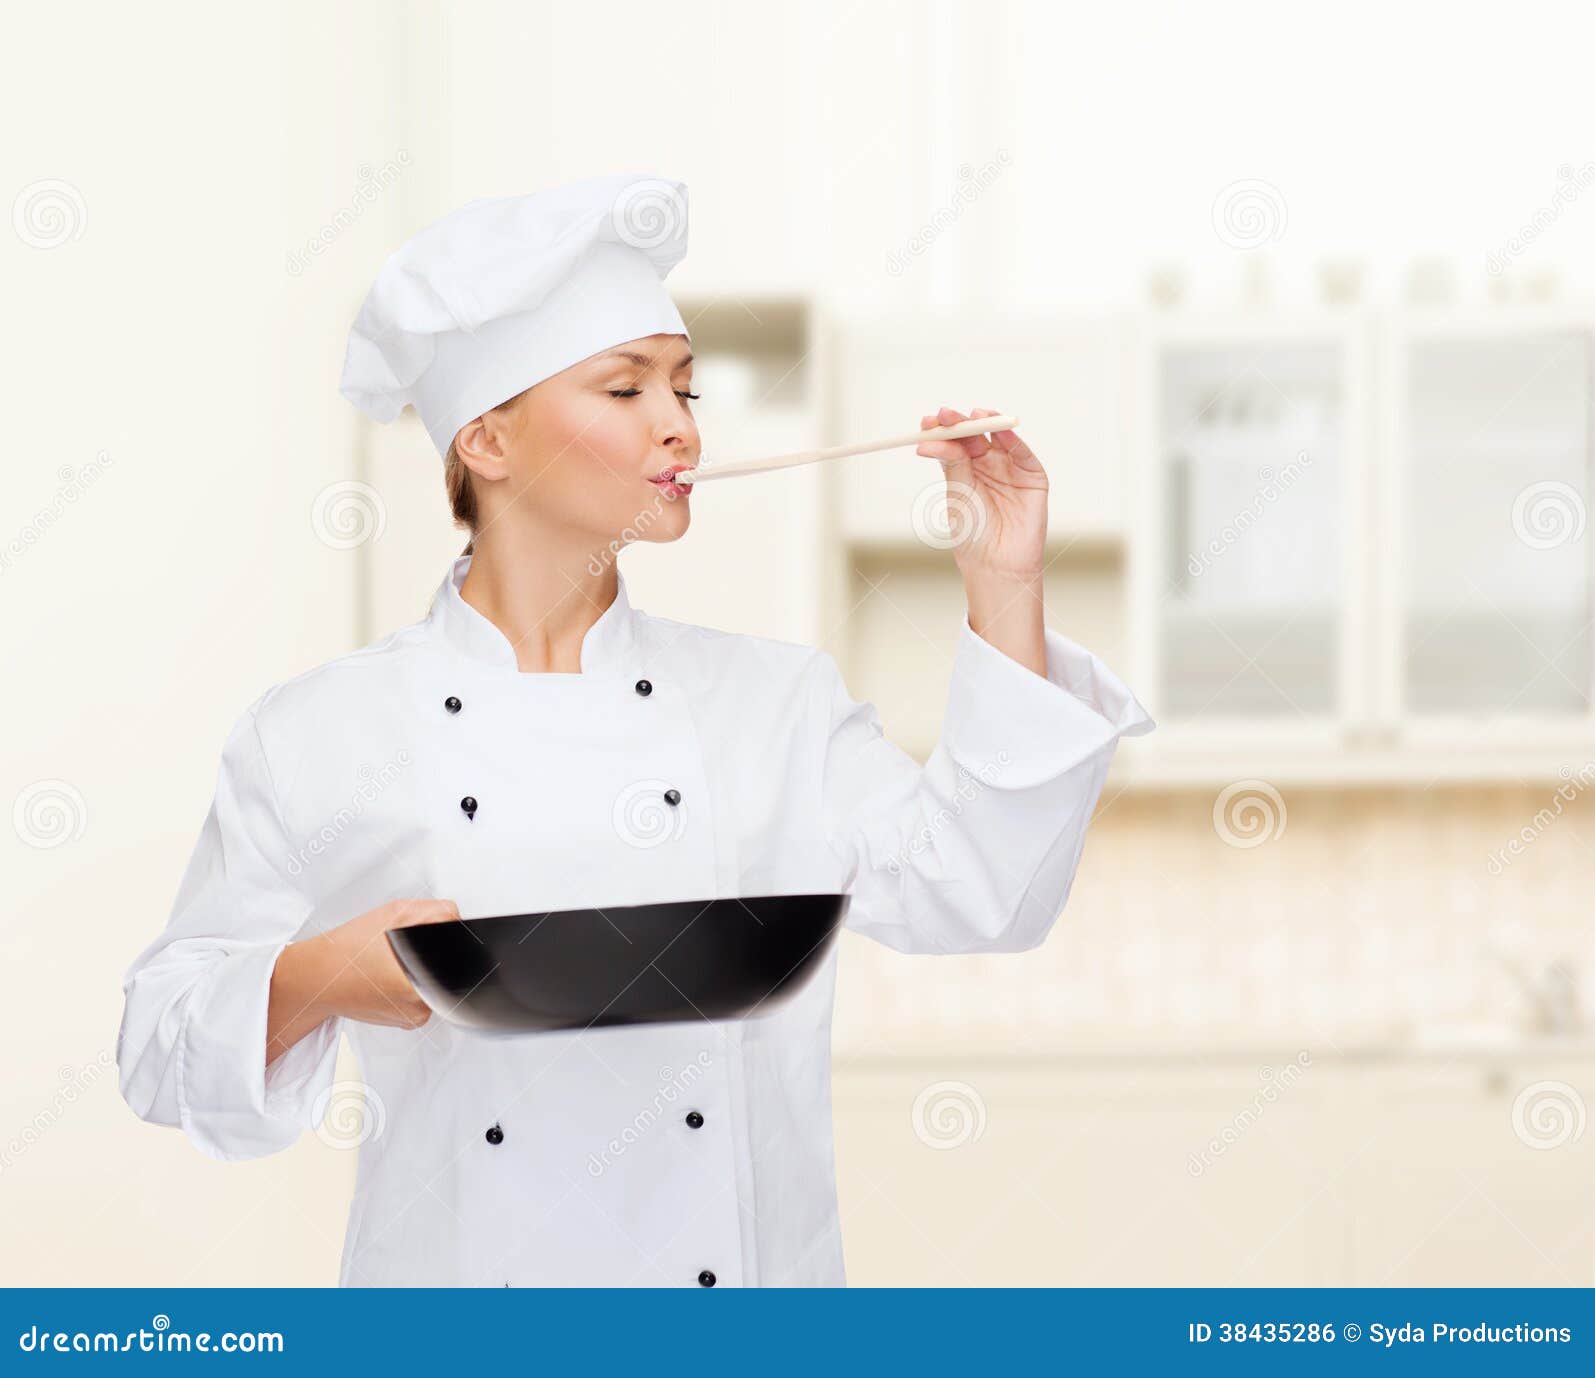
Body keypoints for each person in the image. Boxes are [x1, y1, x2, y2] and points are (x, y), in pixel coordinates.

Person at [116, 172, 1155, 1286]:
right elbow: (158, 1053)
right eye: (625, 389)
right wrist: (316, 976)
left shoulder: (774, 706)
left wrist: (1005, 578)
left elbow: (985, 891)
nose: (682, 428)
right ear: (488, 443)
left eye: (687, 389)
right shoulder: (321, 732)